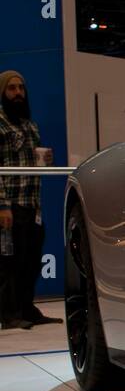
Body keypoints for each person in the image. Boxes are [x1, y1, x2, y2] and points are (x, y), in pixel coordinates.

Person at [0, 70, 62, 330]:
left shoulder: (30, 124)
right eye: (12, 88)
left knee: (31, 260)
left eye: (21, 88)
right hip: (9, 207)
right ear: (2, 92)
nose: (17, 93)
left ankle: (27, 308)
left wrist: (46, 161)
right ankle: (9, 314)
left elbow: (33, 164)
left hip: (32, 205)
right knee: (8, 264)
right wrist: (2, 206)